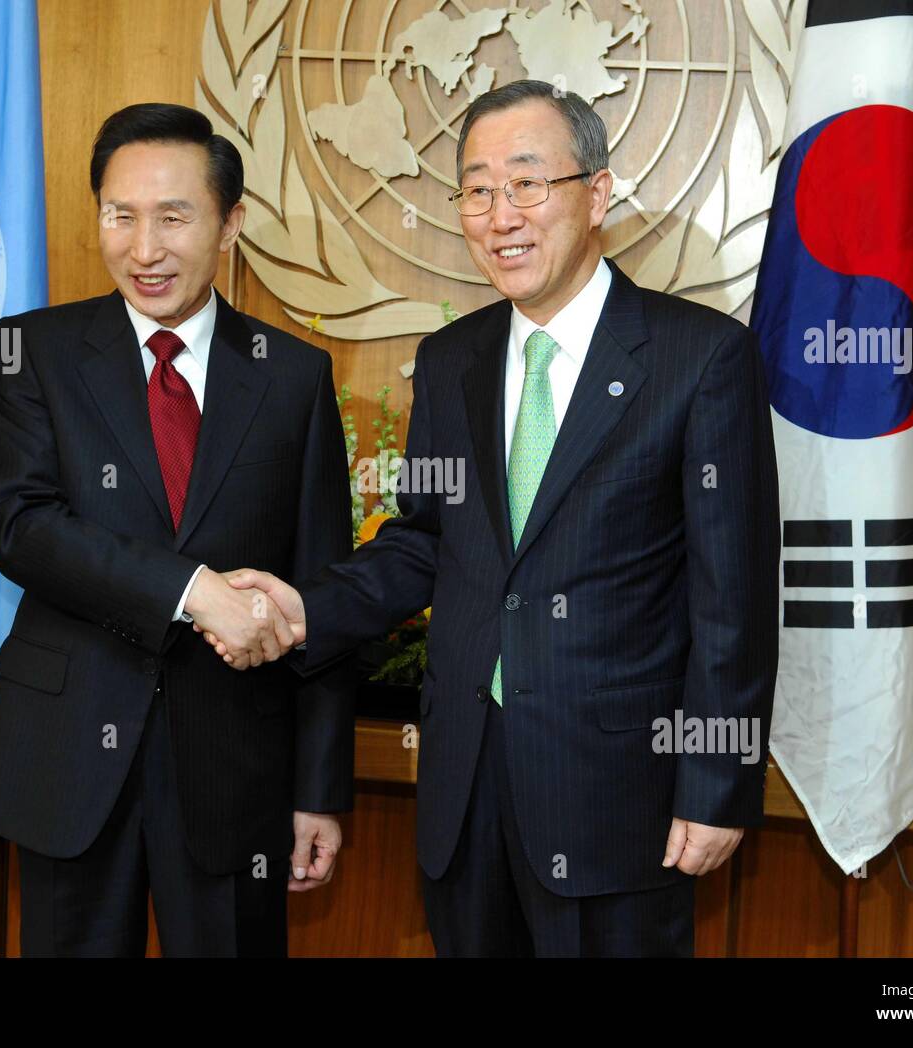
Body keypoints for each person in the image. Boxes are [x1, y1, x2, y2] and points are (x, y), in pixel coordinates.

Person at [206, 80, 781, 957]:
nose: (500, 213)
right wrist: (299, 609)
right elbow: (424, 542)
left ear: (596, 195)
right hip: (465, 790)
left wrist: (717, 782)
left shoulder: (699, 358)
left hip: (619, 798)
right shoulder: (451, 361)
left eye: (527, 183)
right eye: (477, 190)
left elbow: (733, 598)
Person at [0, 103, 354, 957]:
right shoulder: (33, 351)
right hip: (69, 756)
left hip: (237, 773)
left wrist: (319, 789)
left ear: (230, 223)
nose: (144, 248)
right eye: (119, 214)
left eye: (174, 217)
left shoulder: (292, 377)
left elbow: (322, 591)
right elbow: (21, 524)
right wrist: (192, 592)